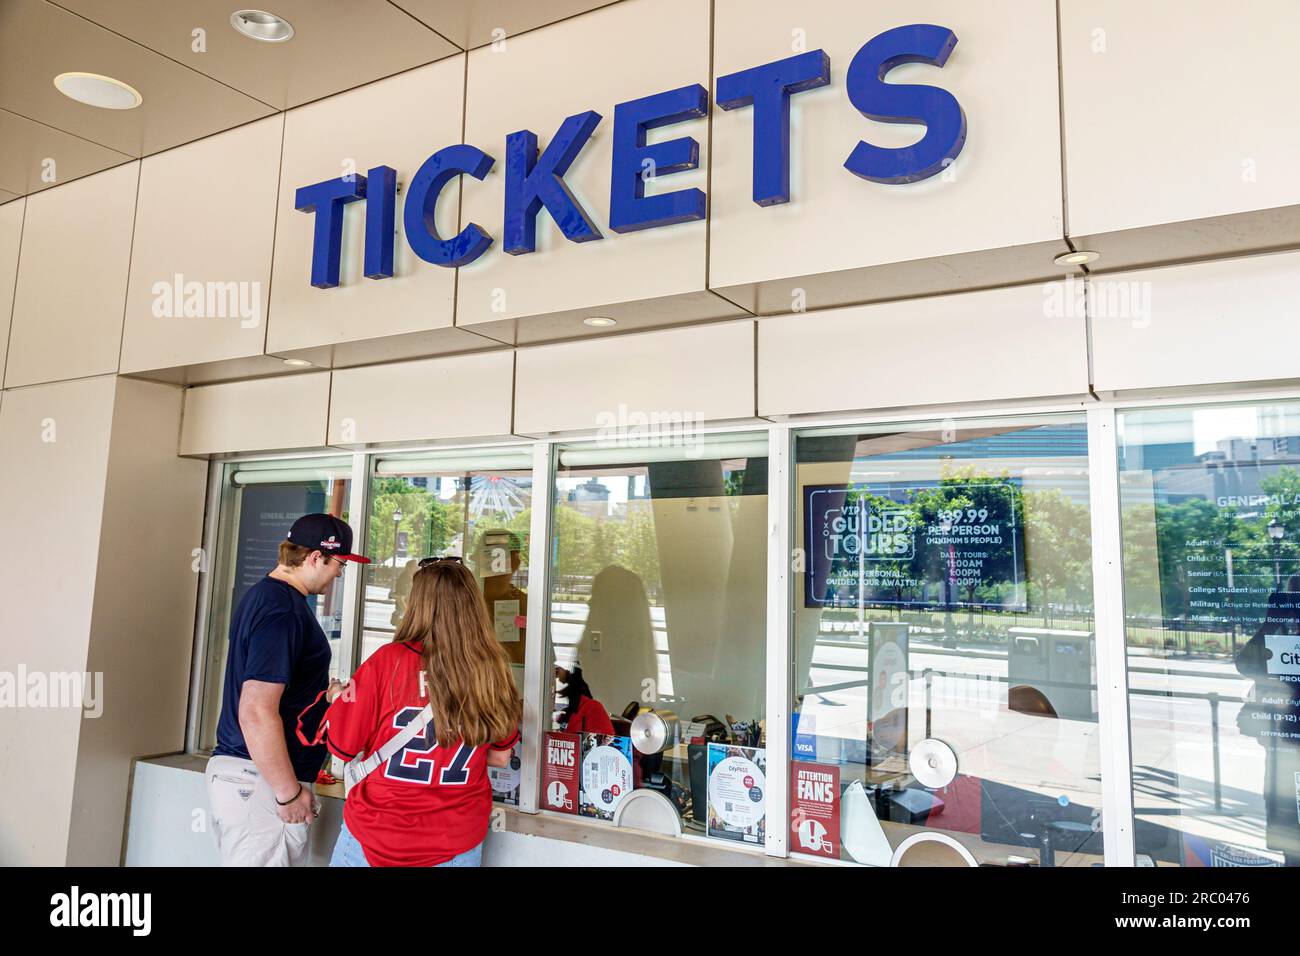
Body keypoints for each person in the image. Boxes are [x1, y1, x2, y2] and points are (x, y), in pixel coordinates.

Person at [318, 558, 522, 867]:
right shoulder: (491, 670)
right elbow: (500, 756)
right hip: (454, 842)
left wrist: (338, 700)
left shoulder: (389, 661)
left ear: (418, 604)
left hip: (376, 834)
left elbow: (343, 748)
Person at [206, 513, 369, 867]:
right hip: (262, 780)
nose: (340, 573)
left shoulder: (266, 598)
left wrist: (321, 699)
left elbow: (275, 696)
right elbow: (256, 710)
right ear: (314, 558)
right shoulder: (283, 611)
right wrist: (287, 794)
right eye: (339, 563)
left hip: (255, 776)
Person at [1236, 573, 1300, 866]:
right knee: (1289, 840)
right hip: (1282, 755)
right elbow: (1246, 663)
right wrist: (1272, 622)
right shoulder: (1281, 641)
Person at [554, 658, 614, 735]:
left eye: (556, 672)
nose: (552, 679)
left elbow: (608, 742)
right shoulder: (547, 709)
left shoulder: (592, 707)